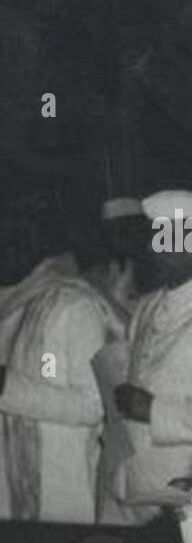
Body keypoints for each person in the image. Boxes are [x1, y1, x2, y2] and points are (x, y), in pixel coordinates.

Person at [98, 190, 192, 525]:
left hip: (184, 492)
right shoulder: (147, 304)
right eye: (156, 235)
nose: (155, 246)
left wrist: (154, 411)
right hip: (127, 484)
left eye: (168, 236)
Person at [0, 200, 139, 522]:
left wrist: (7, 386)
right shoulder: (11, 307)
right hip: (10, 494)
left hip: (62, 497)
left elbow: (94, 406)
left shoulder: (74, 306)